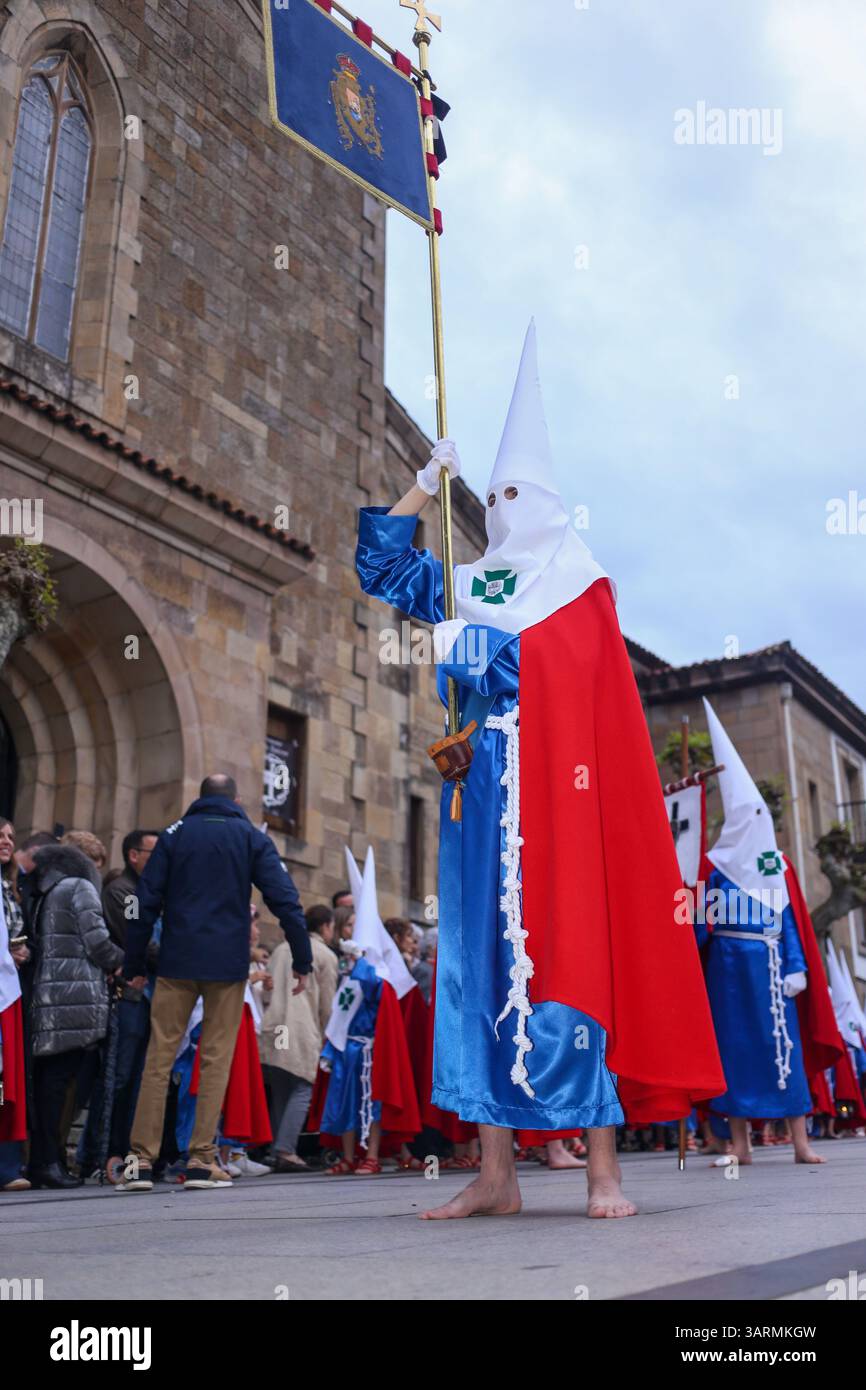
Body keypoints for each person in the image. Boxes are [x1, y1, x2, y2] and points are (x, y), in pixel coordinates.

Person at [356, 321, 725, 1219]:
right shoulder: (472, 580)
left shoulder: (581, 584)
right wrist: (420, 484)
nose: (507, 504)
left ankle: (602, 1171)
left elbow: (590, 701)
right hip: (480, 794)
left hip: (564, 794)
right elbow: (379, 566)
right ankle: (495, 1175)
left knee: (573, 964)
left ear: (554, 500)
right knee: (475, 966)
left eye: (522, 490)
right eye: (496, 491)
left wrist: (481, 652)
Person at [119, 774, 312, 1192]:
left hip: (175, 961)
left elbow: (144, 900)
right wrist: (302, 958)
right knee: (215, 1060)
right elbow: (285, 899)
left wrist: (133, 961)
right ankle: (203, 1160)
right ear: (236, 800)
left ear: (200, 799)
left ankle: (140, 1161)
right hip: (226, 965)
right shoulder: (249, 838)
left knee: (158, 1060)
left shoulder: (173, 835)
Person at [699, 700, 847, 1168]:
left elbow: (787, 919)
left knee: (782, 1048)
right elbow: (699, 920)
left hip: (769, 969)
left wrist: (798, 965)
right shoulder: (716, 869)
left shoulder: (776, 867)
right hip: (727, 973)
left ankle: (802, 1142)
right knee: (736, 1053)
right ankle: (738, 1143)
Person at [316, 847, 419, 1175]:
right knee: (344, 1104)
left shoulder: (378, 975)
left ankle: (371, 1155)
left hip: (372, 1051)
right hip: (348, 1048)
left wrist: (361, 964)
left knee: (372, 1104)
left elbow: (378, 993)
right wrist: (331, 1047)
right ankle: (348, 1156)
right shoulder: (350, 971)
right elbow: (340, 1010)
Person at [27, 835, 123, 1189]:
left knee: (48, 1082)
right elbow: (97, 941)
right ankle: (49, 1163)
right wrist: (123, 962)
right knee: (59, 1083)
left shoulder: (44, 888)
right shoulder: (79, 886)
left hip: (50, 995)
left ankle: (44, 1160)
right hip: (75, 995)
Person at [261, 903, 338, 1172]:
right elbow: (327, 1003)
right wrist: (329, 1031)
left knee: (282, 1089)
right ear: (326, 926)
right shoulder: (325, 955)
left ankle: (276, 1148)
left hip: (274, 1023)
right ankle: (285, 1149)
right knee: (303, 1086)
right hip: (302, 1026)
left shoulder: (280, 949)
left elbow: (267, 988)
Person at [0, 820, 29, 1190]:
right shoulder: (128, 896)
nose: (6, 842)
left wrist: (19, 949)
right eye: (0, 835)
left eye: (9, 836)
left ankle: (6, 1164)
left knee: (5, 1080)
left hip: (7, 989)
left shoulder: (10, 887)